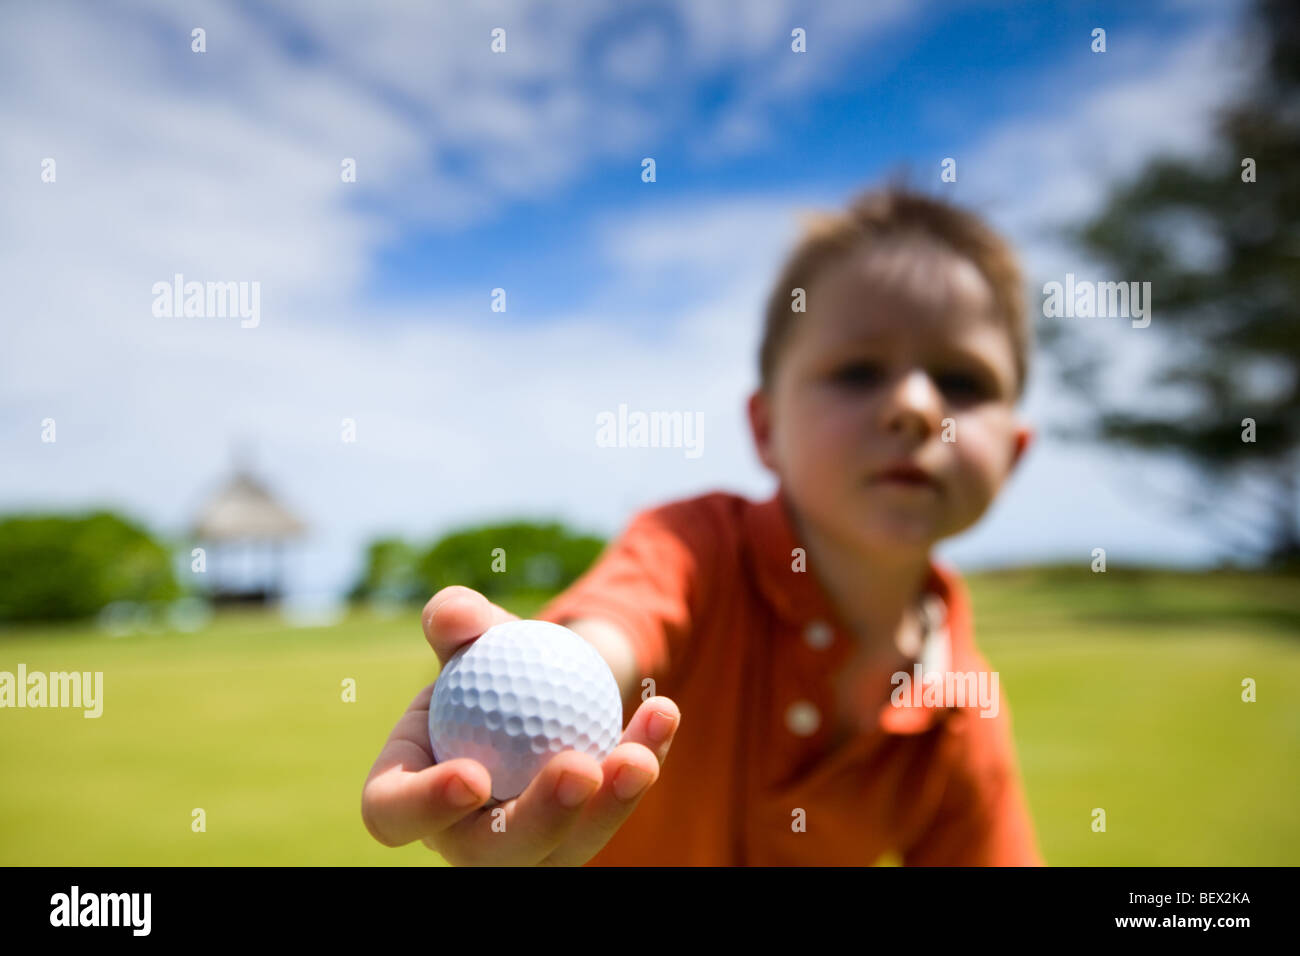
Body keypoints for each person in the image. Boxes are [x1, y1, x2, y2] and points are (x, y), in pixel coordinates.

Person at [361, 184, 1044, 866]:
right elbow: (614, 631)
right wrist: (554, 679)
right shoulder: (694, 545)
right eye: (860, 371)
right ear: (766, 427)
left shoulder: (962, 703)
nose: (916, 408)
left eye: (963, 381)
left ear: (1013, 452)